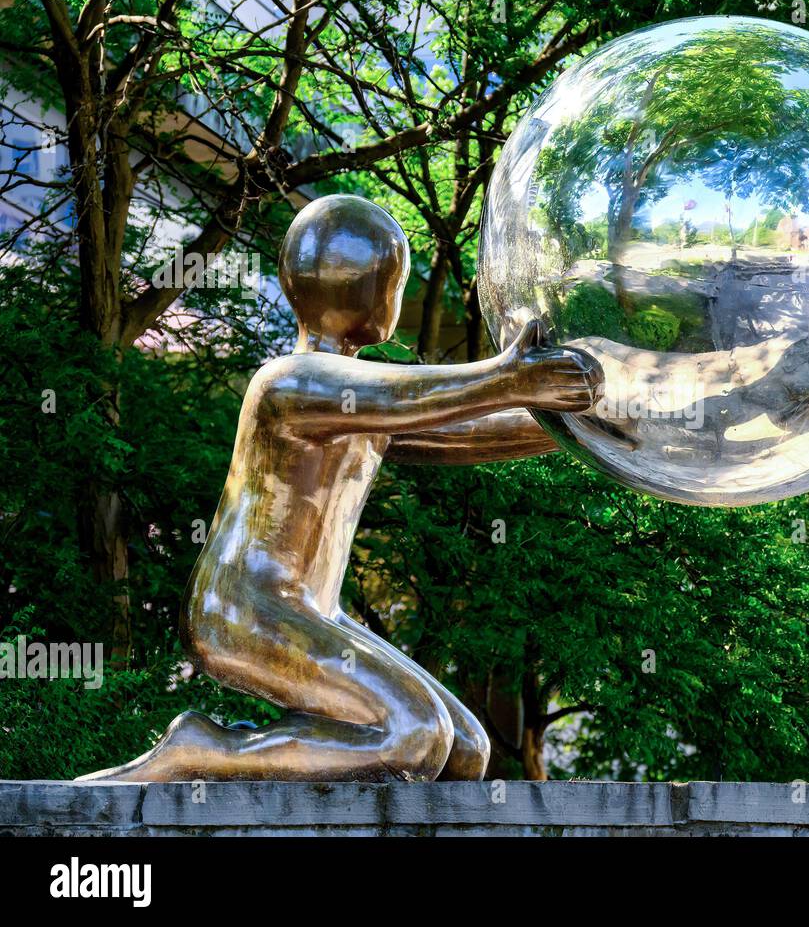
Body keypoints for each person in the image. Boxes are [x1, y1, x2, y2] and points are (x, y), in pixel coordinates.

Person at [80, 195, 602, 782]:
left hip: (313, 610)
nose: (394, 297)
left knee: (464, 753)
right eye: (393, 279)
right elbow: (415, 397)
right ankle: (203, 751)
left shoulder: (357, 405)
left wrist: (580, 427)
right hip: (245, 609)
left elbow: (467, 431)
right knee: (416, 736)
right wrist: (508, 377)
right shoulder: (291, 382)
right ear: (369, 285)